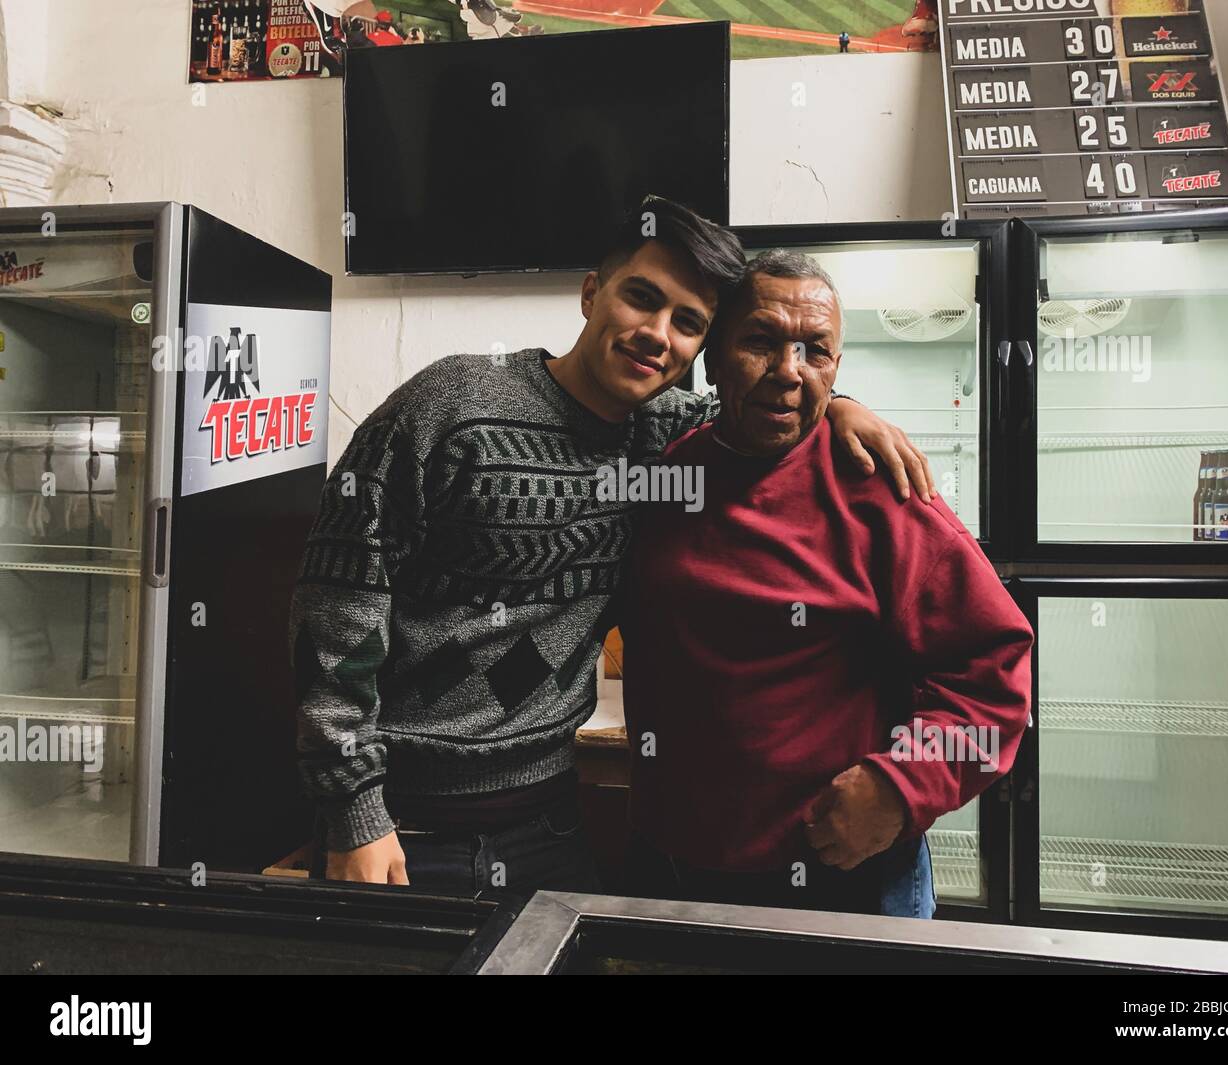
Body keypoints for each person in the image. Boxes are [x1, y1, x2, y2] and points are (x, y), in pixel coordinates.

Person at [289, 197, 933, 897]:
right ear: (592, 292)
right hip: (402, 827)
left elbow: (774, 394)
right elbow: (335, 608)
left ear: (704, 350)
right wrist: (354, 808)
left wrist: (844, 405)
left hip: (547, 825)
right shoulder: (450, 406)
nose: (658, 334)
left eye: (688, 322)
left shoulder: (664, 438)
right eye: (642, 298)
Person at [619, 249, 1034, 918]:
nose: (789, 372)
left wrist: (903, 786)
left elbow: (996, 672)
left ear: (837, 367)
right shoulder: (663, 475)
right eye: (760, 341)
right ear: (714, 356)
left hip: (843, 882)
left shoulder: (882, 491)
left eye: (817, 350)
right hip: (672, 878)